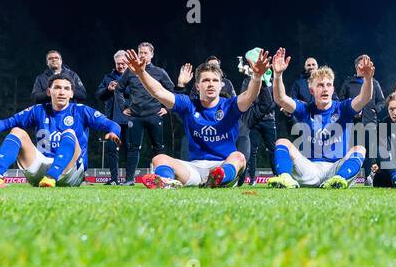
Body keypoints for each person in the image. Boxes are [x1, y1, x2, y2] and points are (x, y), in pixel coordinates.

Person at [131, 51, 271, 188]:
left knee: (239, 157)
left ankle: (219, 176)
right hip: (195, 168)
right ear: (198, 86)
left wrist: (257, 76)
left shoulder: (230, 105)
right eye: (206, 80)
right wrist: (141, 73)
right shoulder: (188, 105)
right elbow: (159, 92)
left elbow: (249, 96)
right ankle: (166, 182)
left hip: (223, 164)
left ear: (221, 84)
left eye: (215, 80)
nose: (211, 84)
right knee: (159, 159)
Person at [0, 77, 120, 188]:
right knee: (17, 131)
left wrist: (114, 132)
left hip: (69, 173)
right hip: (40, 171)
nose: (62, 92)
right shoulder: (38, 110)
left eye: (66, 89)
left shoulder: (81, 110)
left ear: (72, 93)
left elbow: (112, 124)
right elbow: (8, 122)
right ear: (49, 91)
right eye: (57, 87)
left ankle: (52, 176)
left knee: (69, 133)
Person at [265, 49, 370, 188]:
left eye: (328, 85)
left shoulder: (343, 108)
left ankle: (338, 181)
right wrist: (278, 75)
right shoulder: (304, 109)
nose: (325, 89)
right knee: (282, 142)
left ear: (333, 89)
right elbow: (281, 99)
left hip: (337, 169)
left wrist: (368, 79)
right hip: (310, 169)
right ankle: (285, 178)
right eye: (320, 85)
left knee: (360, 149)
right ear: (312, 90)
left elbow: (364, 98)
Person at [112, 42, 174, 184]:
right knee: (133, 148)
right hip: (136, 116)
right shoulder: (130, 71)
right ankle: (129, 180)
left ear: (152, 55)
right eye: (140, 52)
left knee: (158, 148)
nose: (143, 55)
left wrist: (167, 108)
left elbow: (171, 90)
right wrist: (123, 108)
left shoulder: (160, 72)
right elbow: (119, 89)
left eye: (146, 53)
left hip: (154, 114)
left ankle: (163, 179)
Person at [237, 47, 279, 184]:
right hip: (254, 120)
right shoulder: (248, 80)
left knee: (273, 150)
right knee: (252, 150)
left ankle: (279, 177)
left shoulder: (271, 78)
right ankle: (251, 179)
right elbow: (244, 98)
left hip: (269, 119)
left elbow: (274, 100)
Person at [96, 50, 131, 184]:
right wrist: (108, 89)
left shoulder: (134, 76)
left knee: (129, 150)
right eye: (118, 64)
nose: (120, 66)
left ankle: (129, 179)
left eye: (123, 63)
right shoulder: (108, 77)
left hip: (130, 119)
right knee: (111, 150)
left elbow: (138, 93)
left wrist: (120, 88)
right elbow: (99, 95)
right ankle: (114, 179)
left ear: (128, 63)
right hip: (112, 121)